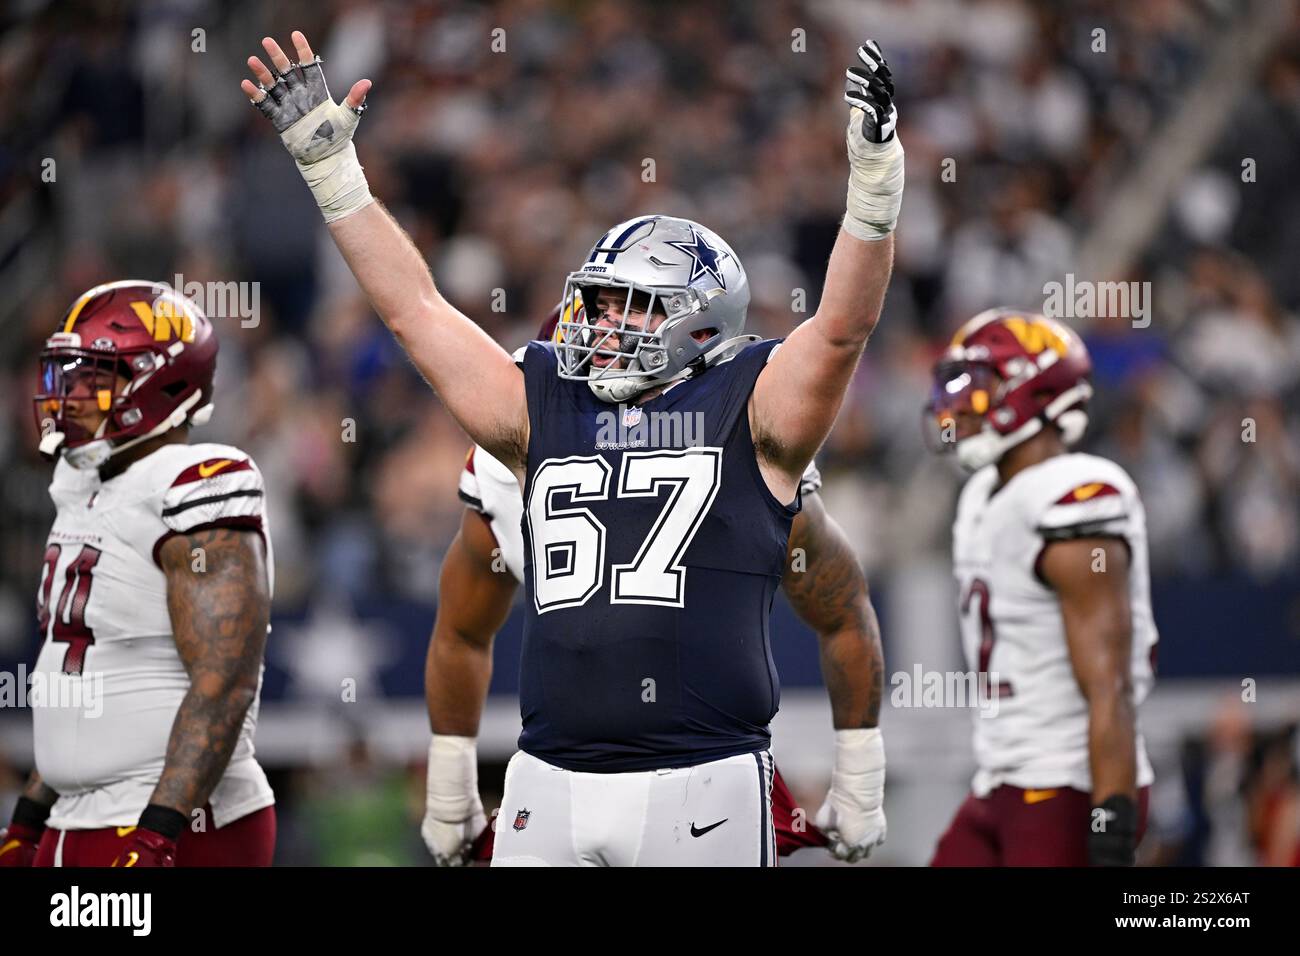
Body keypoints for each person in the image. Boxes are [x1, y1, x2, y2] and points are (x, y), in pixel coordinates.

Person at [243, 30, 904, 866]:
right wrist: (333, 174)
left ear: (702, 319)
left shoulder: (752, 399)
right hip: (545, 776)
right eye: (594, 303)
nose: (599, 324)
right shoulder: (544, 395)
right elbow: (417, 311)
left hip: (700, 778)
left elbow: (842, 329)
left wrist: (875, 184)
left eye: (629, 306)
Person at [0, 281, 275, 868]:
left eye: (94, 379)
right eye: (65, 376)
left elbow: (225, 678)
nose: (69, 397)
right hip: (77, 819)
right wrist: (28, 819)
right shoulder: (81, 489)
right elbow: (80, 674)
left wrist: (159, 833)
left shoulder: (195, 481)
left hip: (173, 821)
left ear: (161, 381)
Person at [925, 308, 1158, 867]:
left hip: (1067, 781)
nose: (957, 406)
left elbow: (1110, 683)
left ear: (1028, 394)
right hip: (1002, 777)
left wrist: (1111, 817)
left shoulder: (1074, 494)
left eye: (977, 389)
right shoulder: (983, 493)